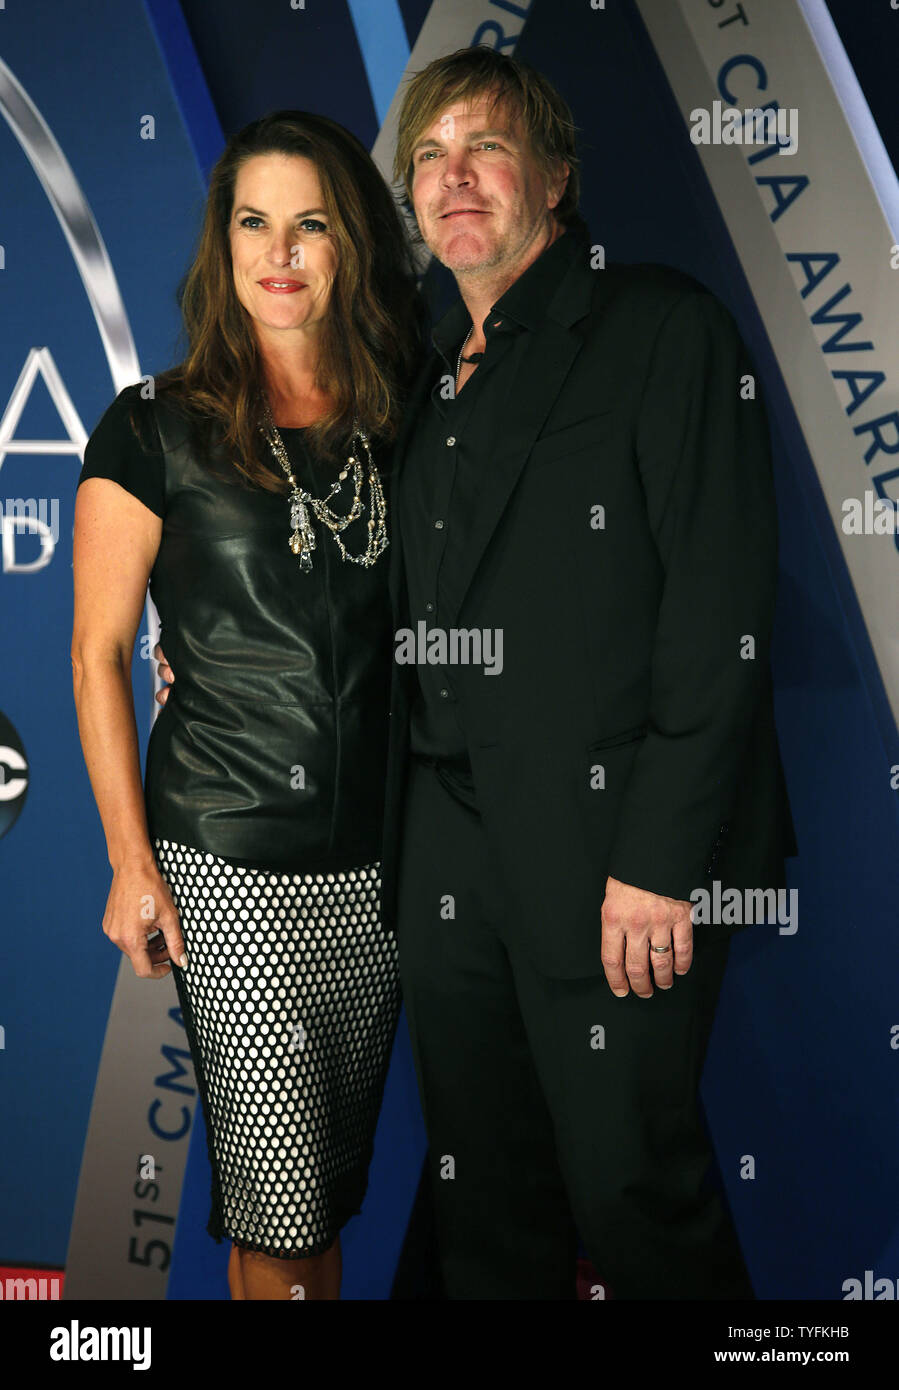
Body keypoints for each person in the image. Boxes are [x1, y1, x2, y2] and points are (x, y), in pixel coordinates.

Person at [376, 46, 797, 1298]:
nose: (454, 179)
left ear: (553, 178)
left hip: (620, 851)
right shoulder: (418, 373)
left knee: (630, 1194)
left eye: (485, 149)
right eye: (430, 157)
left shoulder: (663, 330)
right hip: (448, 847)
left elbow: (720, 616)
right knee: (487, 1203)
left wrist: (660, 865)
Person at [72, 110, 423, 1301]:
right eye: (253, 223)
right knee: (276, 1208)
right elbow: (99, 651)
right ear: (223, 248)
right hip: (230, 867)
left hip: (380, 865)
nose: (279, 251)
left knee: (322, 1199)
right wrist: (132, 863)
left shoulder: (405, 415)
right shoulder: (152, 426)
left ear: (349, 246)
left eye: (309, 224)